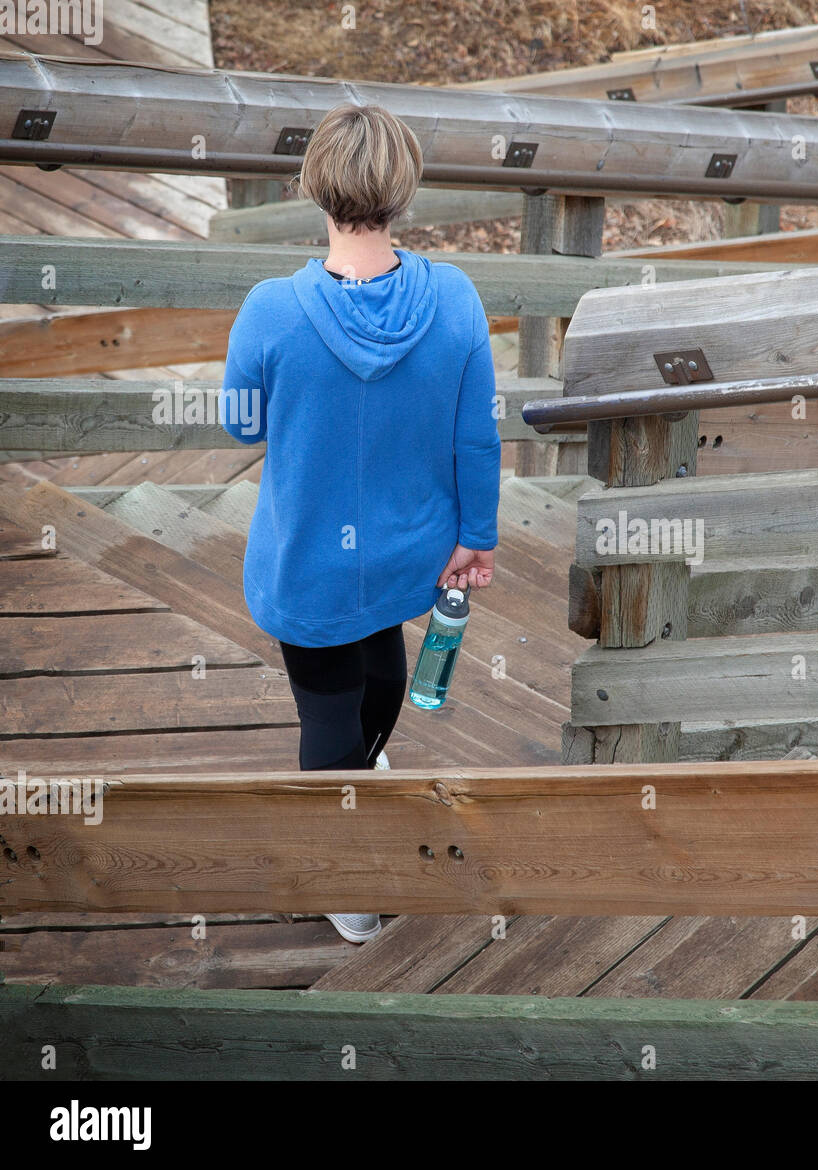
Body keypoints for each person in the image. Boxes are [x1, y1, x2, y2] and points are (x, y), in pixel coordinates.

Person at [220, 104, 500, 944]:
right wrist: (476, 534)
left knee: (330, 718)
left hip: (306, 564)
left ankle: (344, 880)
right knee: (380, 677)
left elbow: (240, 422)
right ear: (404, 193)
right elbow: (476, 434)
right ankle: (356, 801)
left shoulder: (271, 310)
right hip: (405, 559)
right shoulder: (453, 298)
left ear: (315, 189)